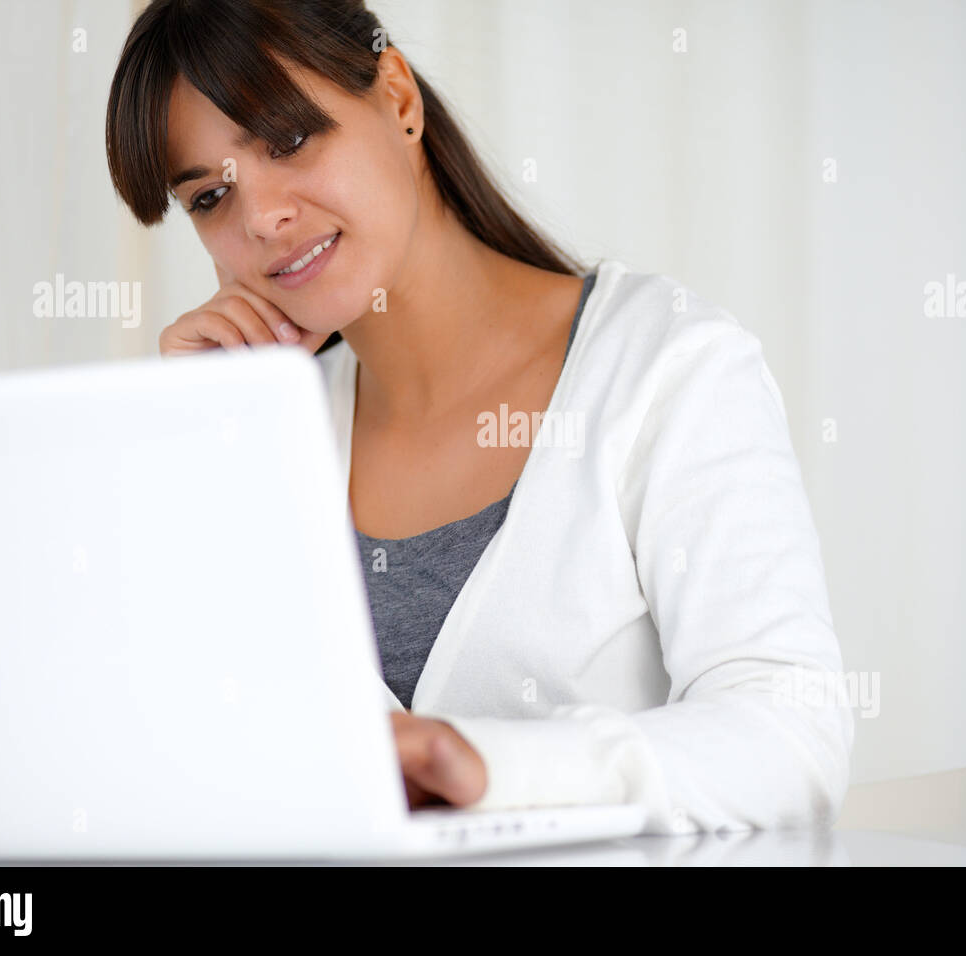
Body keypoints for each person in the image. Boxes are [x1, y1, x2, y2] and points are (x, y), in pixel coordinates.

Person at [105, 0, 853, 834]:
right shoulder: (269, 435)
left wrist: (479, 764)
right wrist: (196, 460)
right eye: (209, 196)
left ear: (396, 98)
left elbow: (793, 732)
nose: (261, 217)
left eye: (287, 140)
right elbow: (182, 764)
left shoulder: (667, 368)